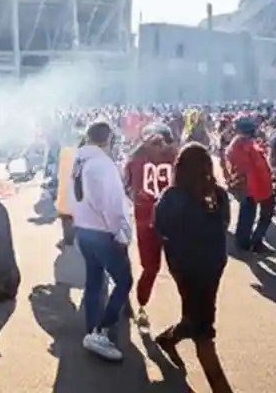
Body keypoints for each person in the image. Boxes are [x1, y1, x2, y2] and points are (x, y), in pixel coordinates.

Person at [152, 142, 232, 393]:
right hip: (213, 264)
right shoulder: (218, 195)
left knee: (201, 327)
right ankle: (172, 337)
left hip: (185, 267)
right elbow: (225, 223)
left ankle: (173, 337)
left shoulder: (172, 197)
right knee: (201, 320)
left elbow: (161, 227)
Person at [71, 120, 133, 362]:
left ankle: (92, 328)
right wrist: (121, 232)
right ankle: (101, 331)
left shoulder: (79, 159)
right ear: (108, 140)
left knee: (94, 281)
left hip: (84, 229)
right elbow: (112, 203)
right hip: (102, 231)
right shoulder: (102, 164)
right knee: (124, 281)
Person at [123, 124, 177, 332]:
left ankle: (141, 305)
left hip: (148, 218)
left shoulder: (136, 157)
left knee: (151, 268)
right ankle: (143, 306)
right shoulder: (175, 155)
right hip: (170, 220)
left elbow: (126, 184)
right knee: (175, 267)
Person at [224, 117, 273, 253]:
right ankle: (246, 242)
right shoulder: (242, 144)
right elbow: (246, 168)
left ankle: (245, 241)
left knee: (248, 214)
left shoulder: (243, 142)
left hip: (254, 186)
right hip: (252, 187)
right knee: (249, 215)